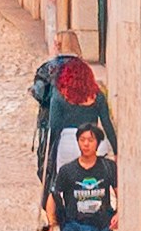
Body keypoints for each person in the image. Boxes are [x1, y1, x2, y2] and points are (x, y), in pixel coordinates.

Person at [31, 31, 115, 194]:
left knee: (57, 187)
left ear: (59, 46)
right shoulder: (88, 76)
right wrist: (117, 152)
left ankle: (54, 216)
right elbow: (107, 123)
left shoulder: (50, 70)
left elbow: (52, 121)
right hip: (93, 141)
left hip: (66, 141)